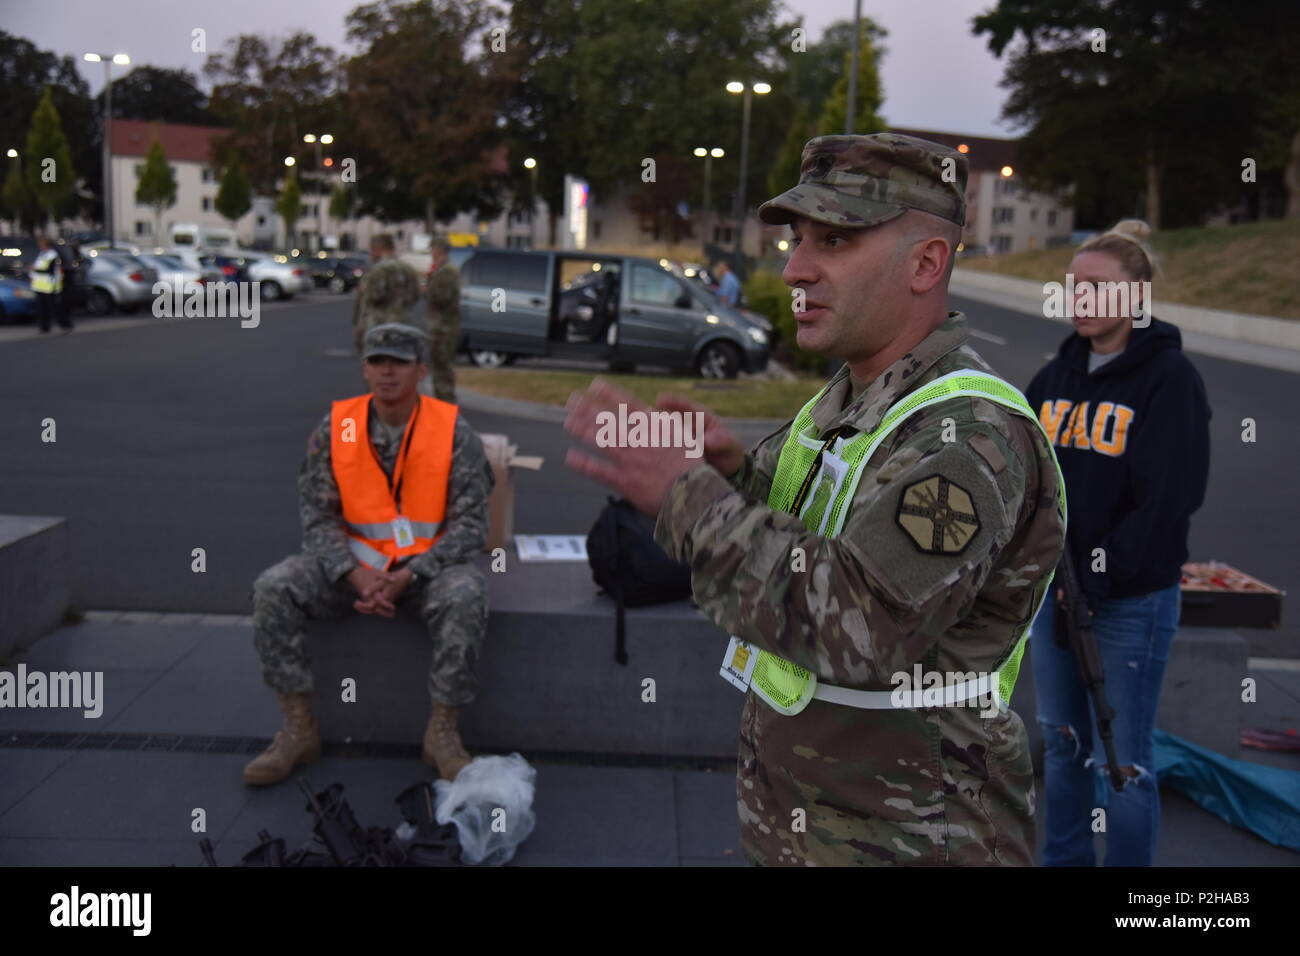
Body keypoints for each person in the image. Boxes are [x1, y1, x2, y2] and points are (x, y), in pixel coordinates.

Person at [564, 133, 1067, 866]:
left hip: (916, 840)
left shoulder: (967, 439)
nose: (796, 269)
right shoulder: (847, 403)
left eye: (834, 240)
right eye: (798, 239)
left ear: (927, 263)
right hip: (809, 824)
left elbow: (857, 626)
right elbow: (805, 540)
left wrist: (691, 497)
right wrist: (733, 474)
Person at [1025, 220, 1211, 867]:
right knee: (1062, 745)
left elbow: (1169, 500)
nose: (1080, 297)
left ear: (1136, 296)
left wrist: (1098, 579)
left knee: (1122, 763)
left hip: (1129, 603)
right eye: (1074, 285)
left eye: (1097, 287)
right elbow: (1025, 475)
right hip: (1054, 600)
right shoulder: (1055, 377)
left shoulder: (1169, 379)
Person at [245, 323, 494, 786]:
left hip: (423, 576)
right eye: (377, 361)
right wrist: (352, 573)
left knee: (466, 594)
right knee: (273, 588)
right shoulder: (336, 425)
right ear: (364, 369)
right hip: (350, 571)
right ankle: (299, 729)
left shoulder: (451, 430)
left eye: (398, 362)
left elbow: (471, 527)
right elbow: (317, 516)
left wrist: (411, 575)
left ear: (420, 370)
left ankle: (442, 733)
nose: (386, 371)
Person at [351, 234, 421, 353]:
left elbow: (371, 299)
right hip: (403, 326)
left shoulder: (378, 270)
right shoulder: (408, 269)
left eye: (371, 250)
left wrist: (359, 330)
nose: (370, 254)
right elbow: (415, 296)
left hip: (378, 330)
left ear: (378, 249)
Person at [424, 237, 460, 402]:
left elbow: (442, 297)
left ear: (440, 250)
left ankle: (446, 408)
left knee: (442, 372)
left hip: (443, 329)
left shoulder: (446, 272)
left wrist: (429, 285)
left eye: (433, 249)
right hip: (439, 327)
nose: (431, 252)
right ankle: (443, 407)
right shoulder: (442, 270)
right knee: (439, 371)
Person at [31, 237, 72, 334]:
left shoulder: (52, 255)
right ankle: (44, 327)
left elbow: (50, 270)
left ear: (46, 245)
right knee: (43, 309)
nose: (39, 246)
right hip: (40, 286)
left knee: (55, 308)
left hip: (51, 286)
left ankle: (65, 325)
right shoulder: (42, 255)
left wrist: (34, 269)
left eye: (41, 244)